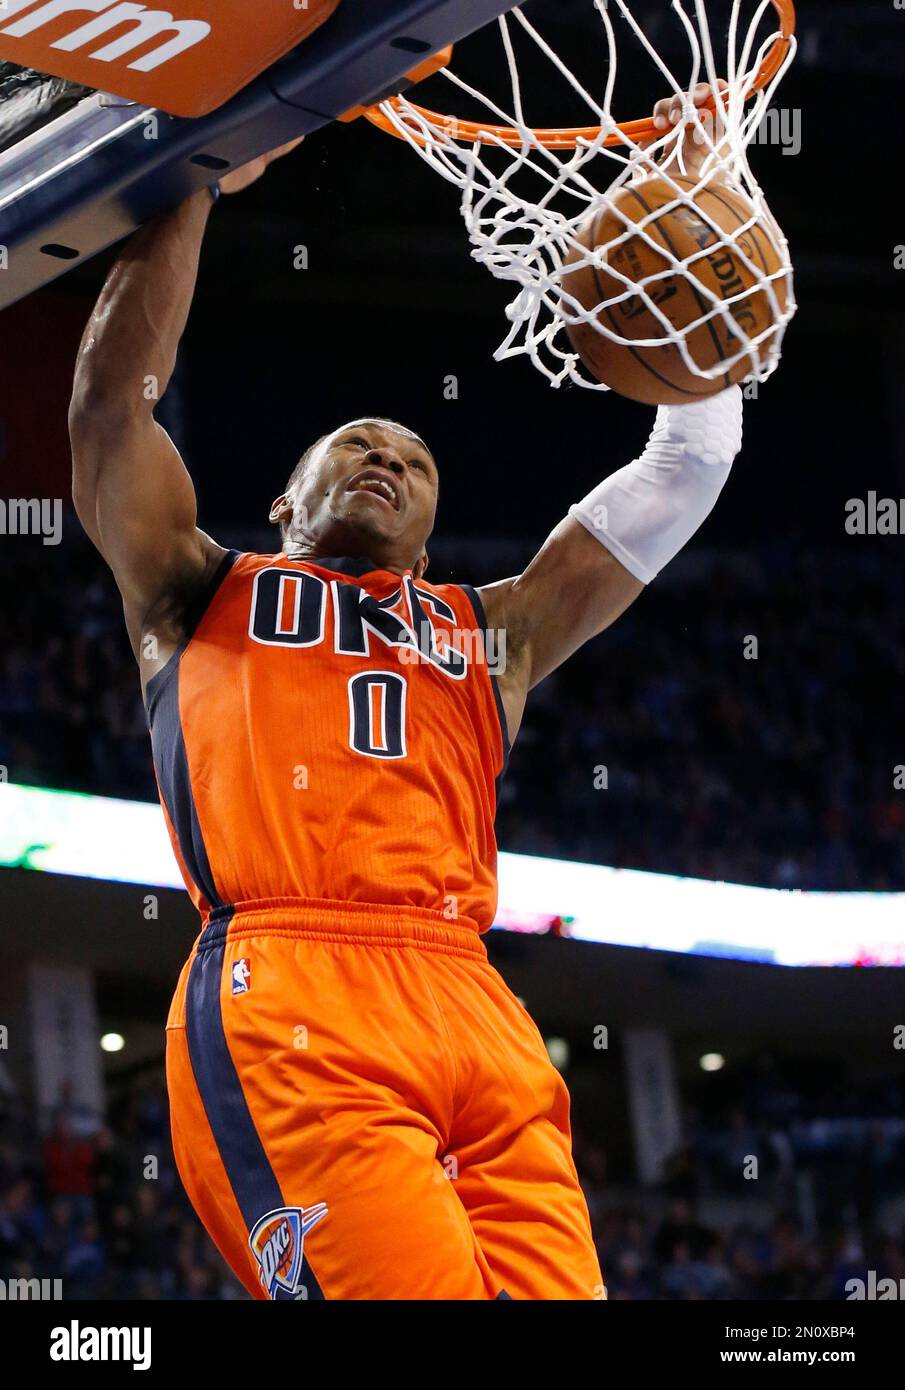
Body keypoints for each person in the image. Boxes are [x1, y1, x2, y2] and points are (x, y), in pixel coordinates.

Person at [70, 88, 742, 1300]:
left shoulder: (492, 631)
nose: (389, 456)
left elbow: (687, 464)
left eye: (416, 457)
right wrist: (194, 181)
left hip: (470, 998)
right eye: (359, 444)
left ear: (431, 537)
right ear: (283, 503)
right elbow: (110, 411)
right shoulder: (194, 587)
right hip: (289, 984)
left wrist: (697, 234)